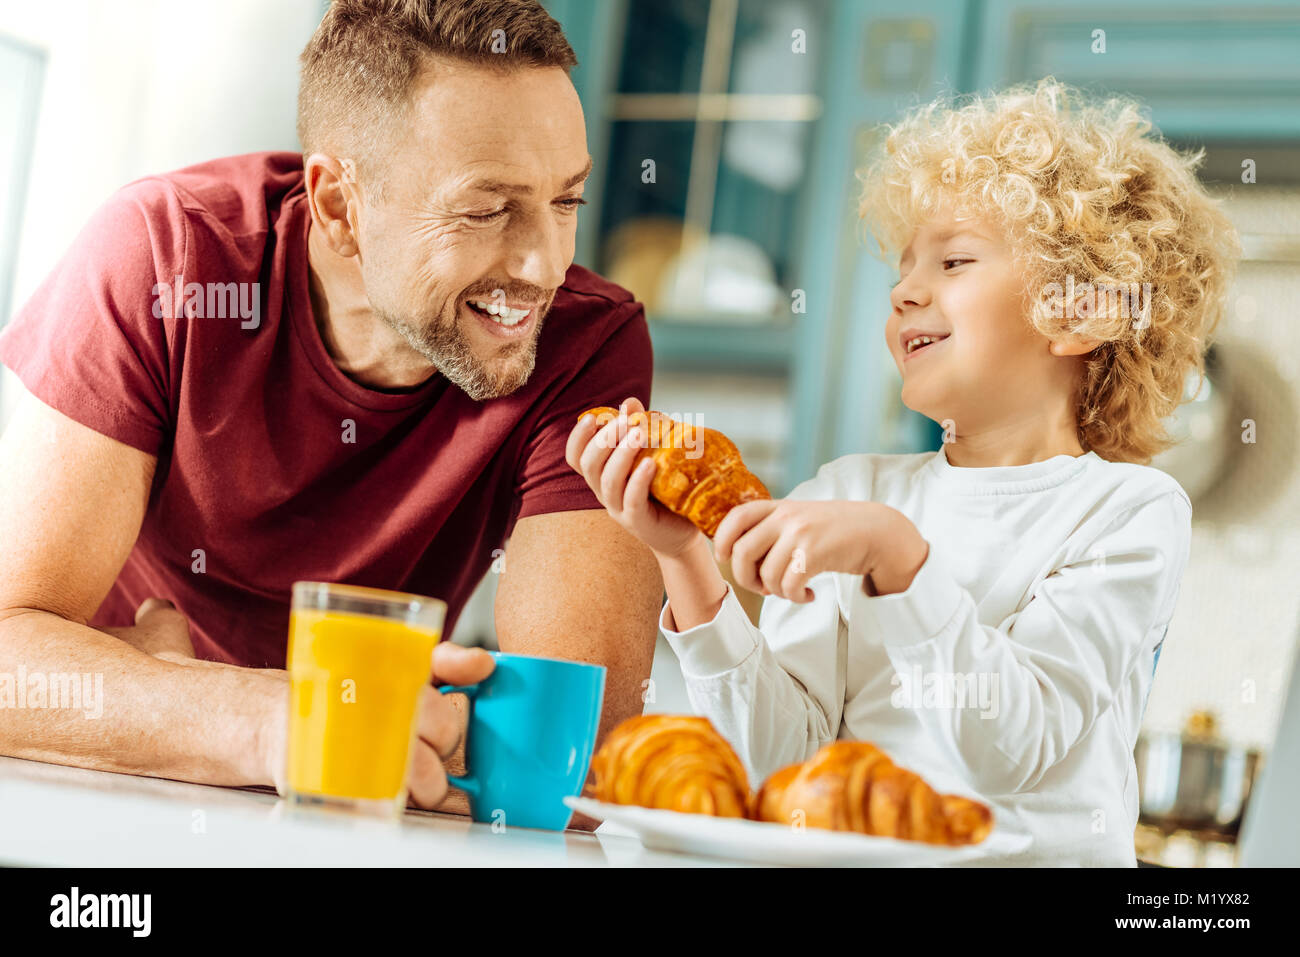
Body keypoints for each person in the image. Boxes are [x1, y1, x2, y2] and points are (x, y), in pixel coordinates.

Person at [0, 0, 663, 826]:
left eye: (567, 202)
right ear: (342, 209)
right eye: (487, 210)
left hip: (351, 814)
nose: (545, 264)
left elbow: (578, 762)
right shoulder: (167, 254)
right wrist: (269, 719)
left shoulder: (585, 343)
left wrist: (158, 692)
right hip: (92, 798)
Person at [568, 78, 1240, 863]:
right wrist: (683, 557)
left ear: (1079, 310)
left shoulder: (1128, 510)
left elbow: (1011, 745)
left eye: (953, 260)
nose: (903, 290)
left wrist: (898, 560)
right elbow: (782, 767)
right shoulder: (851, 491)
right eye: (904, 265)